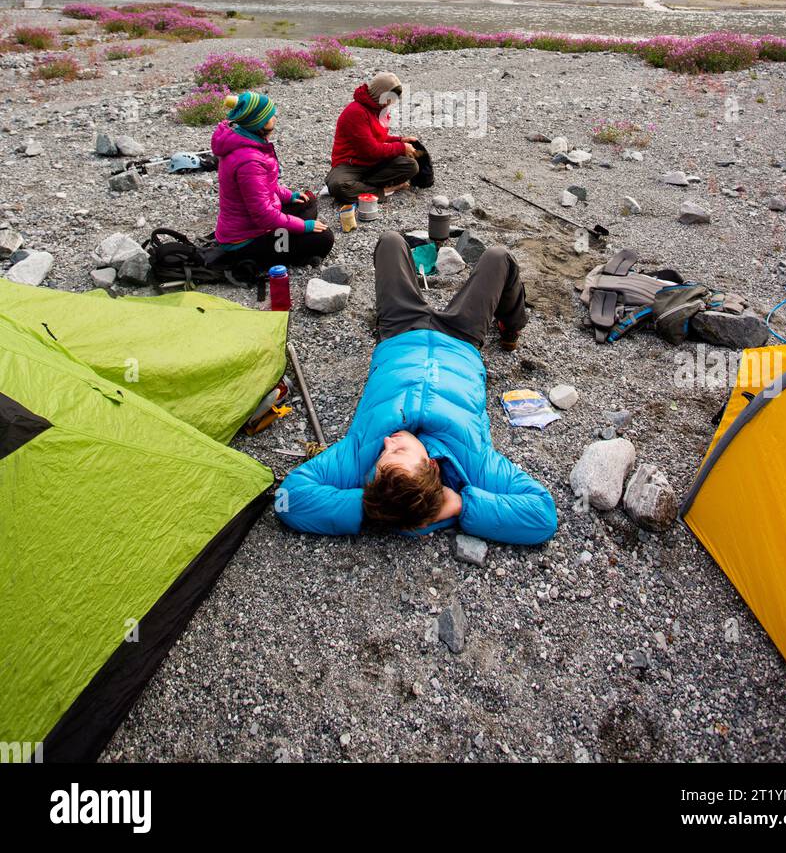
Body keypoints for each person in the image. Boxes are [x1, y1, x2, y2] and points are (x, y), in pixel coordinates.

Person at [275, 231, 556, 544]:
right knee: (498, 257)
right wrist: (462, 506)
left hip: (400, 333)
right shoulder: (474, 462)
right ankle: (511, 324)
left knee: (391, 241)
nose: (387, 442)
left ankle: (498, 318)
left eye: (384, 455)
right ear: (431, 465)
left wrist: (375, 509)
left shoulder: (358, 457)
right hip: (459, 341)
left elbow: (289, 497)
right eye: (401, 450)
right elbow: (541, 514)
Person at [210, 90, 334, 272]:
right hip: (245, 242)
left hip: (254, 224)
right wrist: (303, 226)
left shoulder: (246, 141)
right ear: (259, 123)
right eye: (270, 115)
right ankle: (277, 257)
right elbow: (263, 215)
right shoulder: (249, 161)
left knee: (308, 201)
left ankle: (290, 242)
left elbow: (266, 186)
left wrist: (289, 196)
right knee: (324, 238)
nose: (275, 116)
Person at [326, 71, 421, 204]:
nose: (390, 103)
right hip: (350, 164)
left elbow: (379, 138)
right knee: (338, 187)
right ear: (379, 93)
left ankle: (361, 187)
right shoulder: (356, 112)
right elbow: (370, 149)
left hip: (372, 164)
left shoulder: (379, 109)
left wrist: (400, 140)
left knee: (411, 166)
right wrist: (401, 147)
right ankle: (385, 190)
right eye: (389, 98)